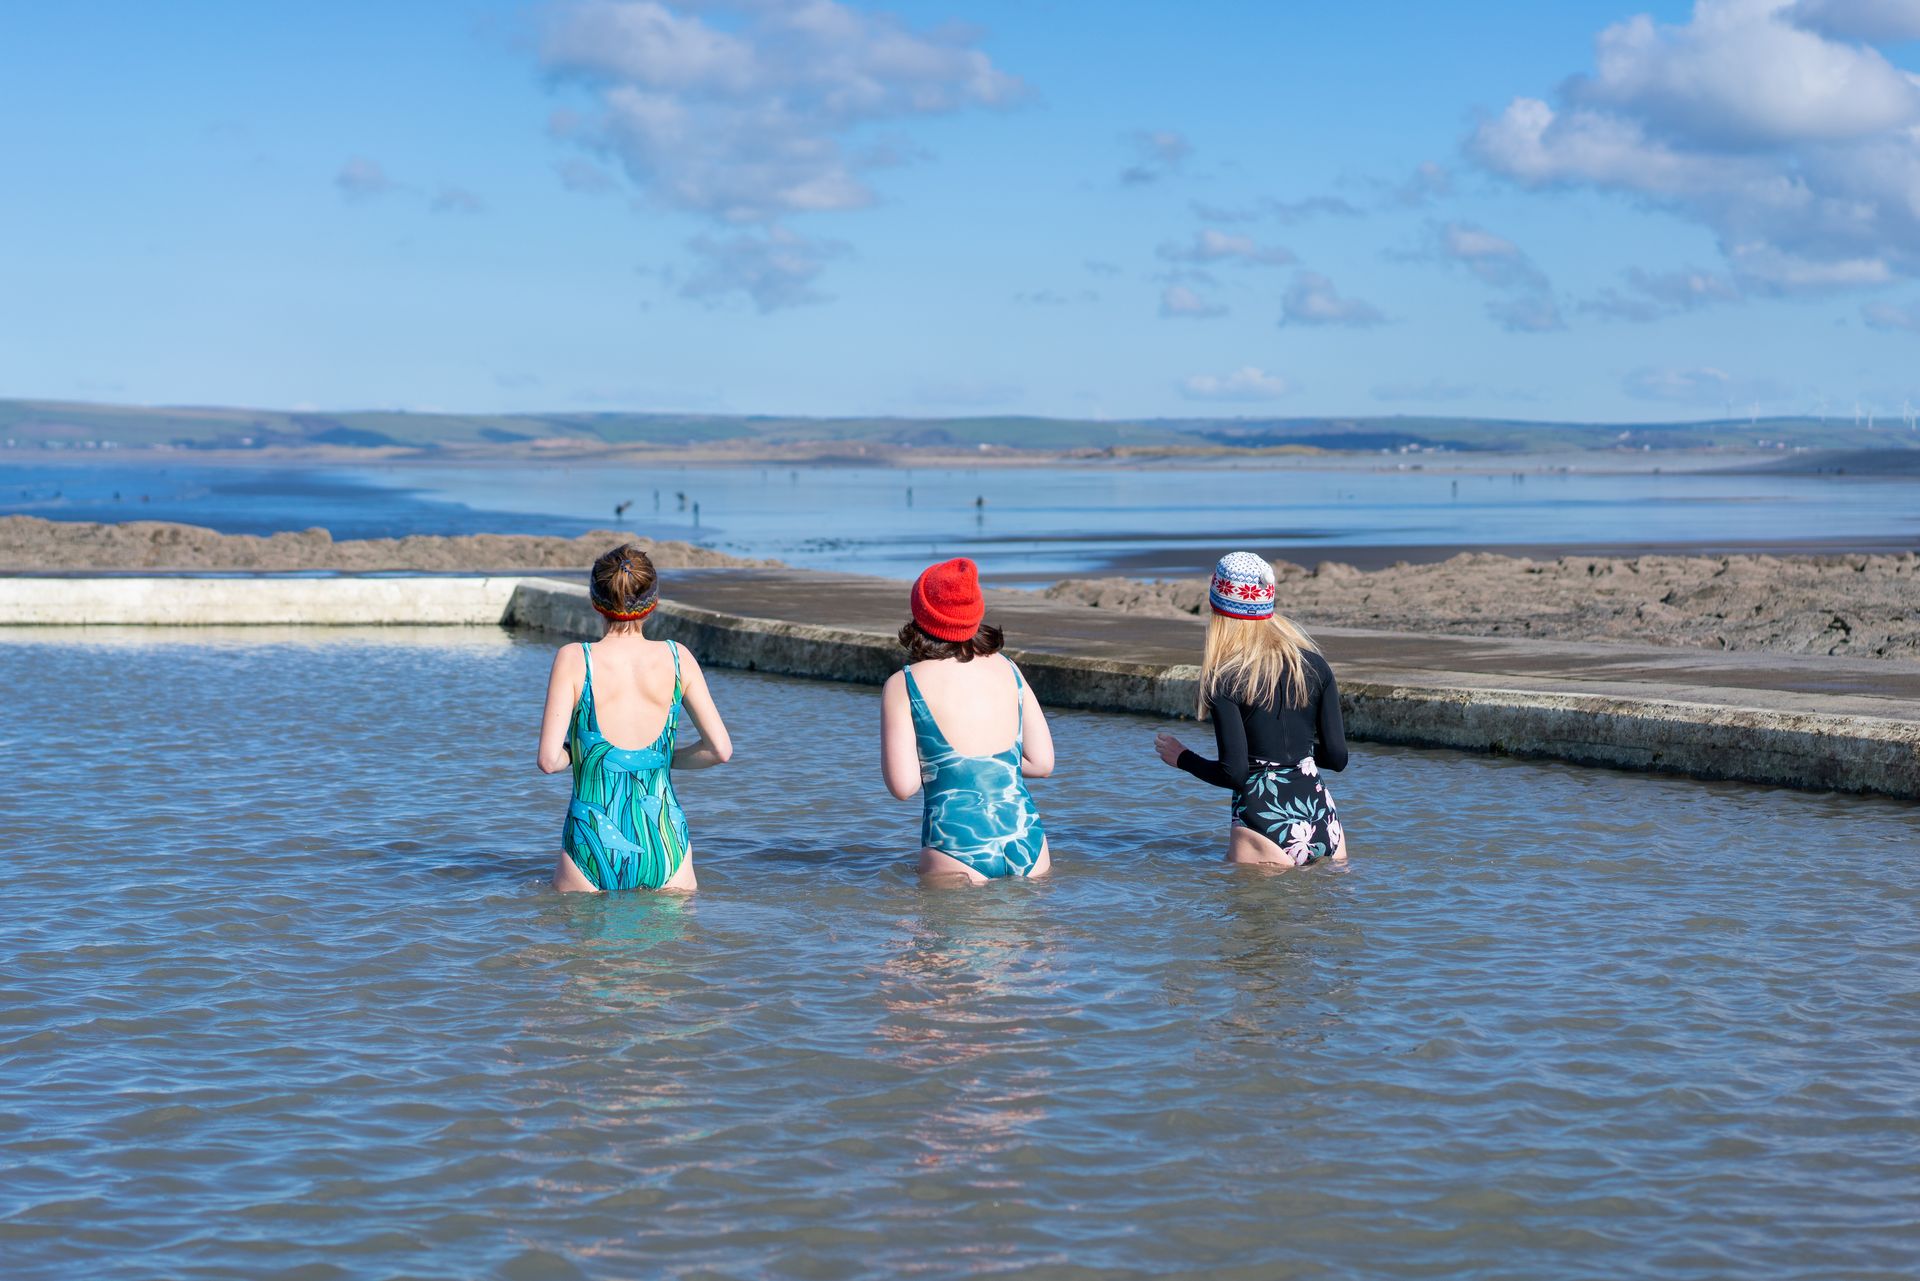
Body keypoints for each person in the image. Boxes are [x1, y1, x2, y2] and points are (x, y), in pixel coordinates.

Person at [538, 545, 732, 892]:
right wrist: (659, 759)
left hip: (590, 842)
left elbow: (550, 761)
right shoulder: (678, 658)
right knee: (671, 946)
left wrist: (581, 751)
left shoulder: (574, 659)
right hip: (664, 839)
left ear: (596, 601)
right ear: (653, 603)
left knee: (579, 945)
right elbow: (720, 750)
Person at [1153, 551, 1349, 868]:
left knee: (1249, 915)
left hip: (1262, 820)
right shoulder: (1315, 666)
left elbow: (1235, 773)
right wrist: (1293, 749)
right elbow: (1338, 758)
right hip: (1322, 817)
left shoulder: (1226, 678)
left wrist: (1183, 758)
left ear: (1218, 609)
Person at [880, 557, 1054, 884]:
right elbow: (1043, 763)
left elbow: (904, 787)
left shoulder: (904, 684)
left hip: (956, 844)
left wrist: (947, 764)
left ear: (921, 613)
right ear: (976, 612)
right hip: (1026, 836)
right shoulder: (1008, 668)